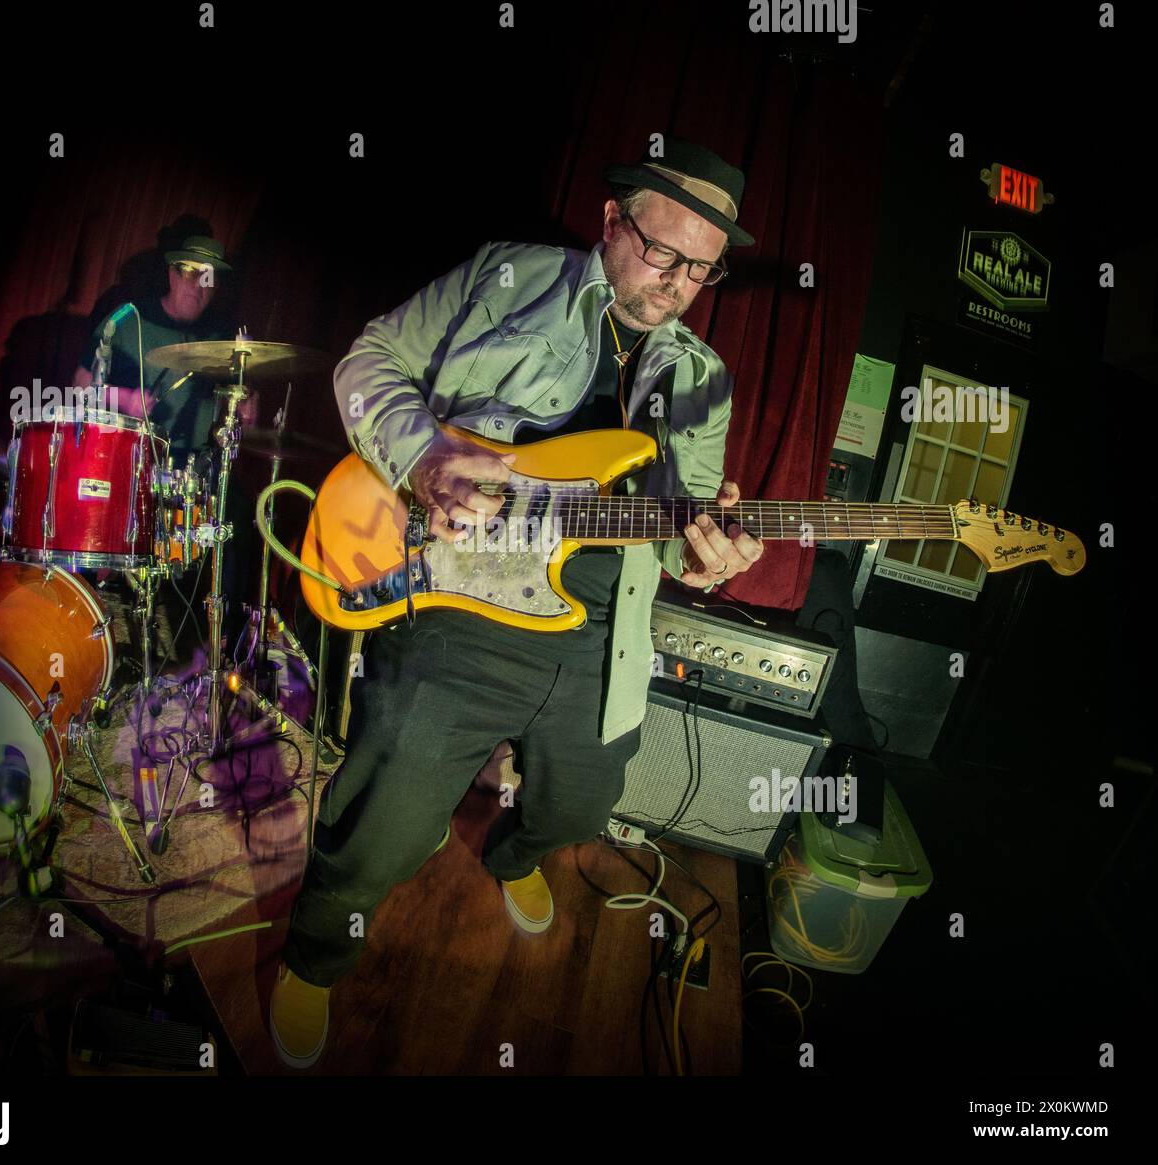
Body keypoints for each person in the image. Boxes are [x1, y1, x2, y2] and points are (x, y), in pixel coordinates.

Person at [269, 140, 765, 1068]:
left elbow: (677, 525)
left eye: (701, 268)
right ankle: (316, 952)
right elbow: (367, 361)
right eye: (664, 253)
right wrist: (426, 457)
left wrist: (704, 559)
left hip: (599, 628)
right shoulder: (505, 276)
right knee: (389, 813)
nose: (676, 284)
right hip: (457, 588)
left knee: (582, 806)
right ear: (614, 222)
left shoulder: (702, 377)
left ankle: (509, 854)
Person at [72, 235, 255, 655]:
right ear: (173, 274)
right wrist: (127, 399)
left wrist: (244, 406)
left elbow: (237, 397)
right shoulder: (129, 319)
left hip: (194, 474)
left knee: (241, 516)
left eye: (209, 281)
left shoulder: (220, 337)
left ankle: (220, 644)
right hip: (131, 465)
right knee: (87, 496)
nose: (201, 288)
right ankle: (78, 615)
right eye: (193, 277)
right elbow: (80, 386)